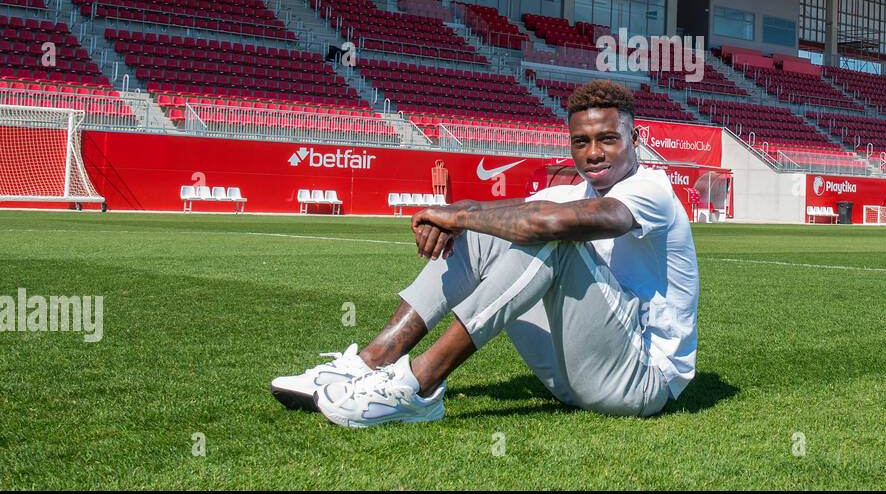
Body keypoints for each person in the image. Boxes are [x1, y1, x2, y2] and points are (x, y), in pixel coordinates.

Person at [270, 79, 699, 426]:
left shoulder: (651, 190)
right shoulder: (570, 191)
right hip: (575, 376)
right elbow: (514, 215)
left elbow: (550, 222)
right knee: (485, 232)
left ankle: (416, 387)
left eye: (608, 139)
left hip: (640, 381)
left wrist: (459, 214)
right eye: (581, 142)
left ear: (635, 138)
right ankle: (371, 362)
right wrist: (452, 216)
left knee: (549, 234)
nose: (593, 153)